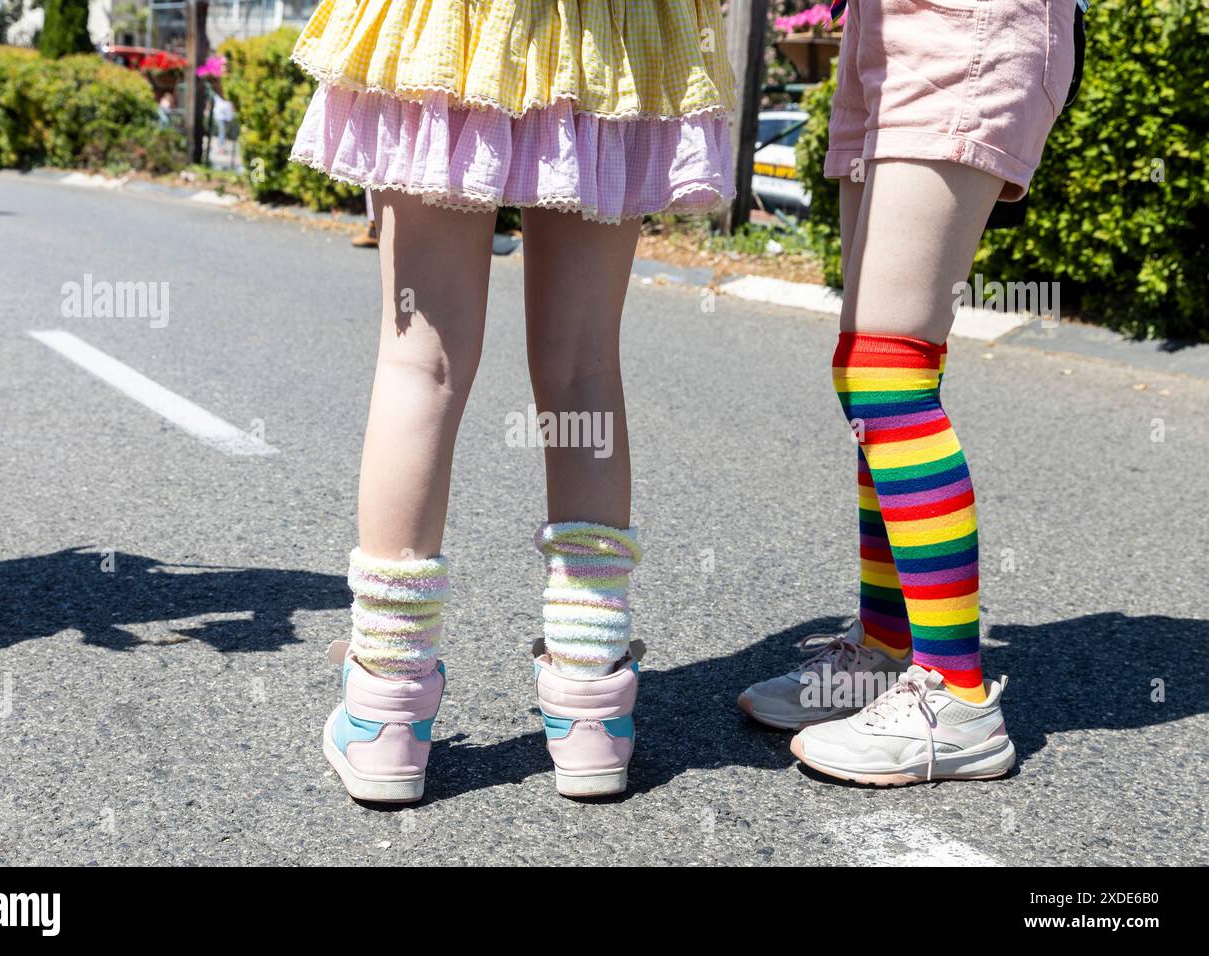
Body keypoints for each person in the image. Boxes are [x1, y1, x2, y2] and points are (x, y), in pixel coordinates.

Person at [288, 1, 735, 801]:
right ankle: (590, 703)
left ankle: (388, 707)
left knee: (419, 364)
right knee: (583, 371)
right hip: (614, 34)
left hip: (457, 26)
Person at [738, 0, 1081, 784]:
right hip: (885, 30)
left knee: (889, 371)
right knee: (869, 368)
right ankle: (887, 652)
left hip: (968, 23)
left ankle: (957, 699)